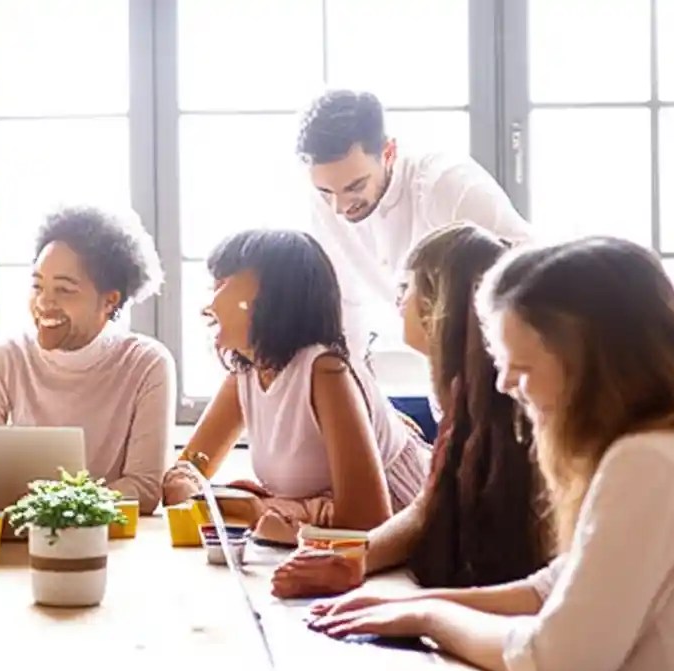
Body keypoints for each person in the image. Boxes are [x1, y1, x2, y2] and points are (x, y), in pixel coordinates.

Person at [309, 237, 674, 671]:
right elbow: (550, 589)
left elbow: (553, 661)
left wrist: (429, 616)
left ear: (592, 365)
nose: (505, 385)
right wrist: (406, 604)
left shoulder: (648, 463)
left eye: (521, 369)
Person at [271, 223, 551, 599]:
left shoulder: (515, 399)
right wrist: (351, 559)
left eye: (406, 288)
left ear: (438, 304)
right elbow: (427, 508)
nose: (399, 302)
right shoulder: (457, 395)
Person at [162, 229, 429, 540]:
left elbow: (368, 520)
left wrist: (261, 508)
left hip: (405, 536)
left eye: (223, 284)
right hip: (322, 543)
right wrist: (216, 498)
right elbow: (185, 475)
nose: (209, 304)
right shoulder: (247, 373)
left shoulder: (325, 371)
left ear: (270, 297)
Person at [0, 206, 175, 514]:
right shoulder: (7, 356)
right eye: (37, 286)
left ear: (109, 300)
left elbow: (144, 488)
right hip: (19, 531)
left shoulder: (147, 364)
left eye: (64, 290)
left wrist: (56, 511)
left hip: (104, 535)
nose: (44, 302)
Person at [297, 89, 534, 362]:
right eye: (326, 191)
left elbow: (528, 275)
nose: (339, 207)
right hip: (433, 363)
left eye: (355, 186)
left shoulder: (446, 184)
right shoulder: (325, 202)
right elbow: (344, 306)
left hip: (495, 358)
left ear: (389, 153)